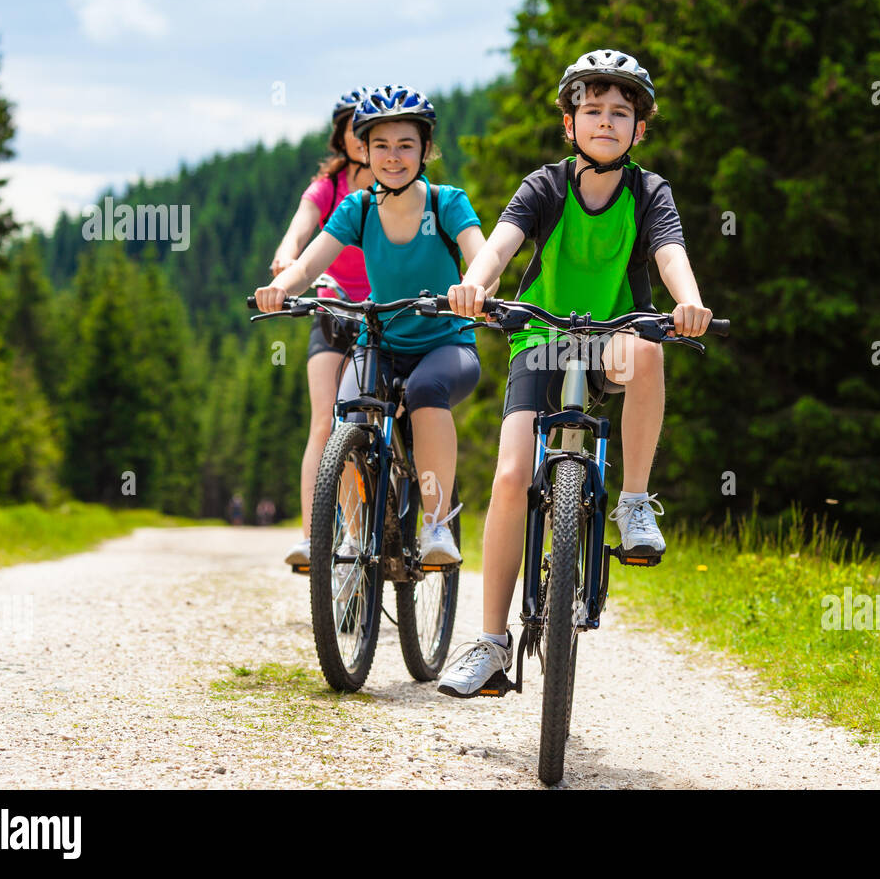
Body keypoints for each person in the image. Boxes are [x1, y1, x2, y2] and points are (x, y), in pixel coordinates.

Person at [437, 49, 715, 696]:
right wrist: (474, 286)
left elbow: (670, 253)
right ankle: (491, 643)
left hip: (617, 335)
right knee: (509, 476)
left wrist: (689, 300)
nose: (607, 123)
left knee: (649, 352)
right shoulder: (544, 186)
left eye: (622, 113)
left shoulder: (649, 192)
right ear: (570, 124)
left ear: (639, 130)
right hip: (541, 335)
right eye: (593, 111)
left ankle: (634, 502)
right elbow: (501, 246)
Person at [253, 85, 495, 564]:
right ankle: (354, 531)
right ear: (363, 150)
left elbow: (483, 254)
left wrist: (476, 287)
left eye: (406, 145)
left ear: (426, 150)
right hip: (380, 343)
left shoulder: (447, 203)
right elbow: (309, 261)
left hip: (446, 345)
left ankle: (437, 524)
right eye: (380, 146)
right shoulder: (358, 208)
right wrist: (285, 285)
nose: (393, 156)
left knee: (427, 390)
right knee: (348, 410)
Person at [273, 89, 374, 569]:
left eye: (367, 127)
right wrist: (287, 256)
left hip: (384, 314)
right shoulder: (328, 187)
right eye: (352, 127)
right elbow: (302, 225)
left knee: (372, 423)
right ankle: (316, 537)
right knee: (325, 422)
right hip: (332, 309)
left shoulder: (399, 183)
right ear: (341, 136)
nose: (360, 136)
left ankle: (380, 521)